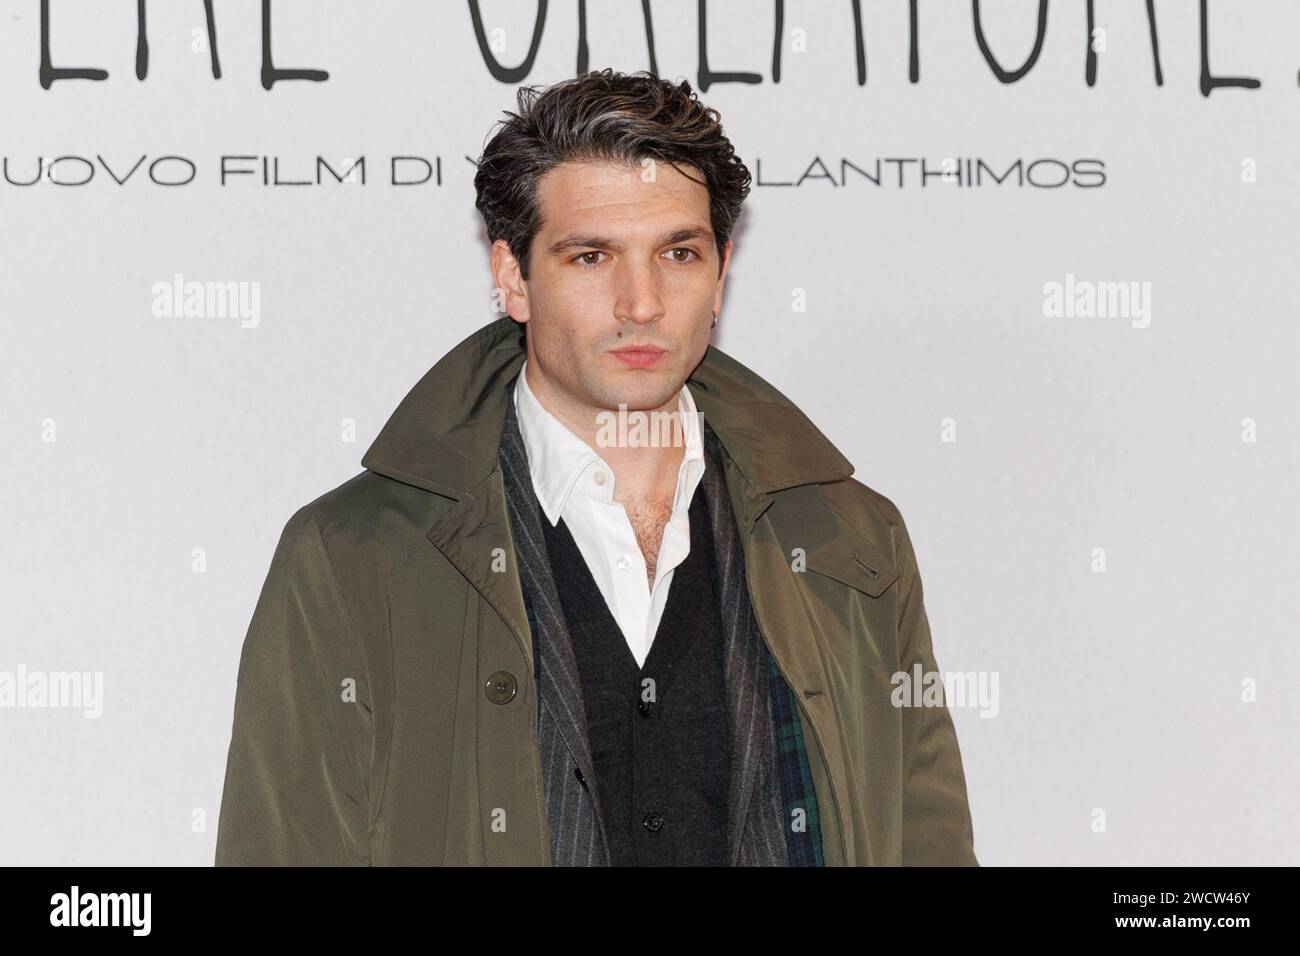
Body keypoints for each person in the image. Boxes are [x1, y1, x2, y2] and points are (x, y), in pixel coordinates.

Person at [214, 68, 977, 866]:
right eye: (591, 257)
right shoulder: (352, 557)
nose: (641, 302)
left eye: (679, 253)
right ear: (513, 277)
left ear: (720, 277)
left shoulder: (850, 540)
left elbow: (929, 843)